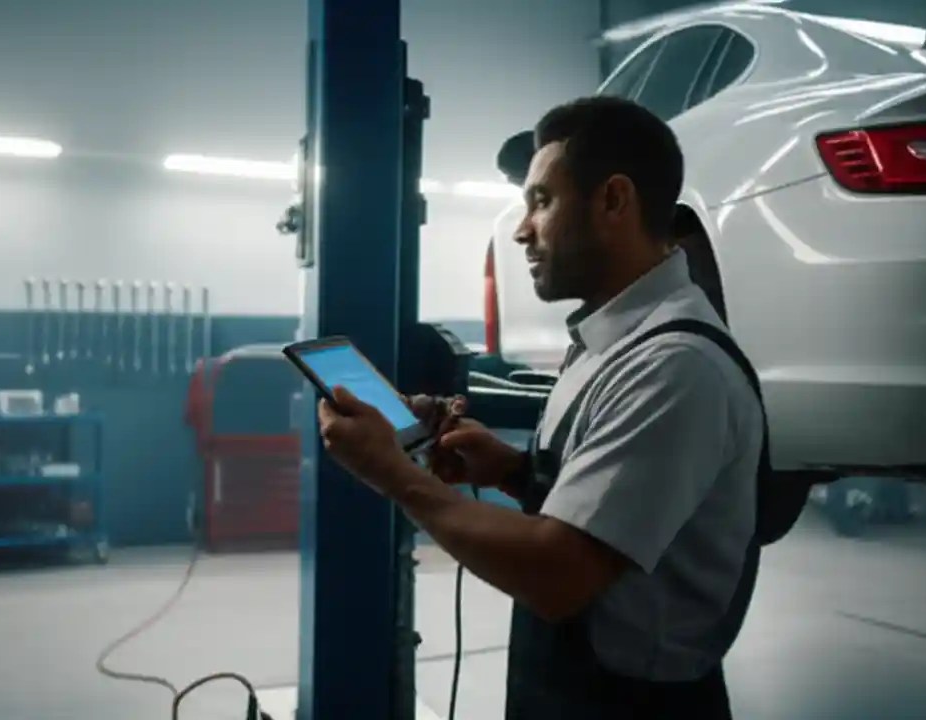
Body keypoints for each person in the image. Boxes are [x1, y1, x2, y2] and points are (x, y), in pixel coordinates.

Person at [317, 96, 763, 719]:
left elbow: (559, 573)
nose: (522, 229)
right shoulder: (610, 342)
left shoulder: (675, 366)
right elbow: (615, 508)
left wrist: (393, 473)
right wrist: (511, 471)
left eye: (541, 201)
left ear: (614, 200)